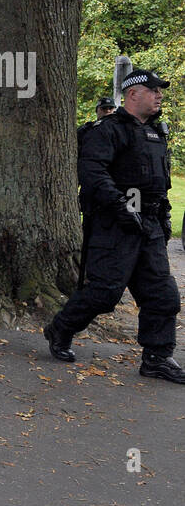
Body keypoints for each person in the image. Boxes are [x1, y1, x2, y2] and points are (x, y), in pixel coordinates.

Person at [44, 69, 184, 383]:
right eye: (154, 90)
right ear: (133, 93)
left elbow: (159, 183)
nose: (159, 95)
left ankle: (157, 359)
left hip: (149, 225)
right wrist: (121, 207)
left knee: (163, 295)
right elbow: (93, 173)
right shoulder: (106, 130)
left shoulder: (156, 133)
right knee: (105, 293)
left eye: (160, 91)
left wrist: (162, 218)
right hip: (114, 224)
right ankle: (60, 329)